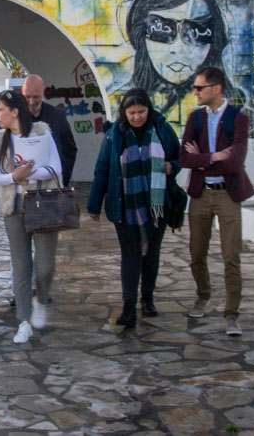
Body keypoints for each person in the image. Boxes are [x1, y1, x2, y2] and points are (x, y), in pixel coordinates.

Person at [87, 88, 181, 327]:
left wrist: (172, 166)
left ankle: (147, 299)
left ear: (148, 110)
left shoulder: (162, 130)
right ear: (124, 112)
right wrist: (94, 204)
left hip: (157, 205)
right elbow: (102, 170)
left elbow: (178, 157)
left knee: (151, 253)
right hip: (125, 205)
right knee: (131, 254)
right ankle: (129, 306)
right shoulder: (114, 135)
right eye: (132, 112)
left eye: (141, 111)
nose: (137, 117)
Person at [179, 66, 253, 337]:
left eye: (200, 88)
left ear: (216, 88)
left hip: (227, 194)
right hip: (200, 194)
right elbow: (184, 158)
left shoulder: (238, 118)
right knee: (196, 253)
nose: (195, 92)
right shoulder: (195, 119)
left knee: (231, 256)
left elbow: (235, 162)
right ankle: (203, 295)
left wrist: (202, 159)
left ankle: (232, 314)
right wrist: (214, 156)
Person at [0, 89, 63, 344]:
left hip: (42, 202)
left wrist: (31, 173)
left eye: (0, 110)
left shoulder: (42, 132)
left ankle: (41, 300)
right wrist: (14, 176)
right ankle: (23, 321)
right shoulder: (0, 139)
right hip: (14, 206)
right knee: (20, 267)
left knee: (45, 266)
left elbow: (56, 167)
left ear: (15, 111)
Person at [126, 0, 235, 125]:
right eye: (162, 30)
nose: (178, 48)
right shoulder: (122, 103)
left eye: (195, 32)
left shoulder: (232, 110)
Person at [22, 74, 77, 186]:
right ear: (22, 93)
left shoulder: (57, 115)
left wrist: (60, 179)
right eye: (28, 97)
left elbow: (69, 149)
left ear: (43, 92)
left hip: (52, 183)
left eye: (36, 97)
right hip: (24, 185)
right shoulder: (16, 116)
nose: (32, 101)